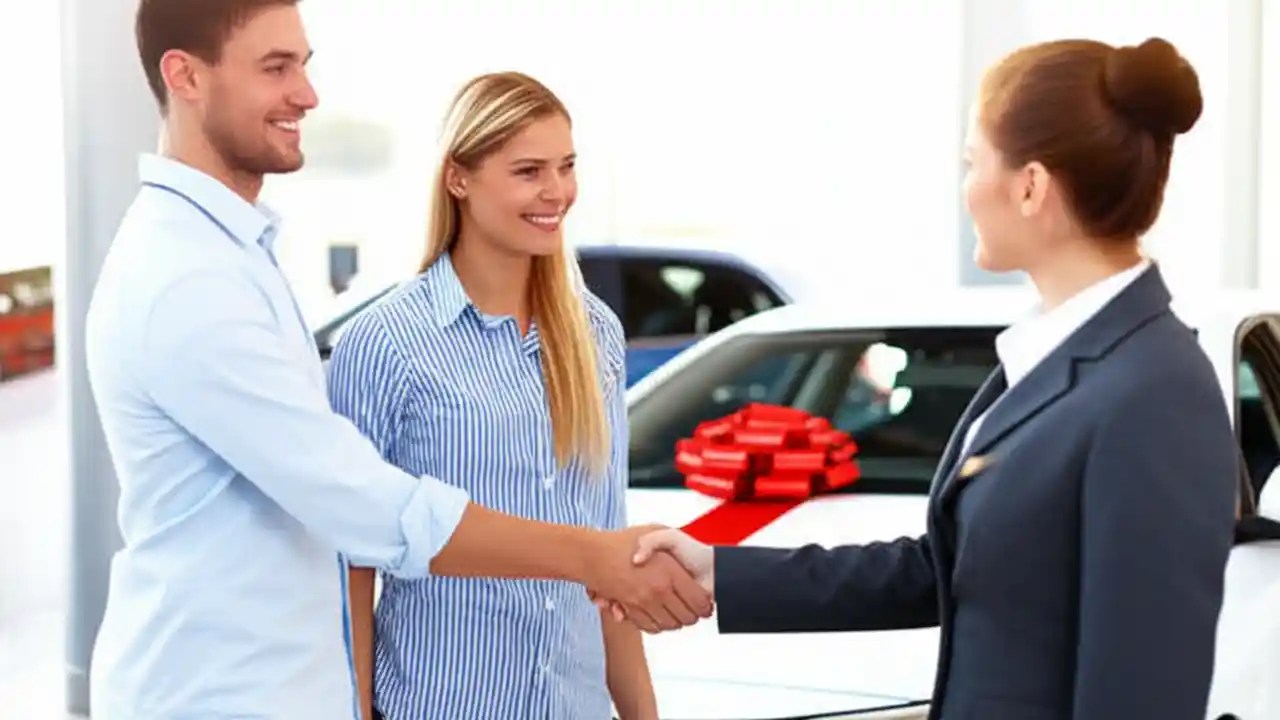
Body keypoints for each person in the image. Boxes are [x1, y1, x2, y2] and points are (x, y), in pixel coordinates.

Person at [83, 3, 709, 718]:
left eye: (304, 65)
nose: (308, 95)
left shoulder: (230, 257)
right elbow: (364, 507)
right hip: (224, 696)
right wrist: (591, 557)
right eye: (276, 67)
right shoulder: (188, 280)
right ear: (185, 76)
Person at [626, 37, 1239, 720]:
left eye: (974, 162)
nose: (966, 189)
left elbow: (1140, 696)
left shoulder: (1153, 393)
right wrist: (720, 567)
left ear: (1030, 186)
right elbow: (944, 569)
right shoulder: (1052, 354)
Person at [327, 71, 657, 720]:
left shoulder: (596, 336)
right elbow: (347, 566)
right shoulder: (384, 342)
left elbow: (610, 551)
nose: (556, 192)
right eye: (529, 171)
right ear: (459, 178)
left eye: (566, 167)